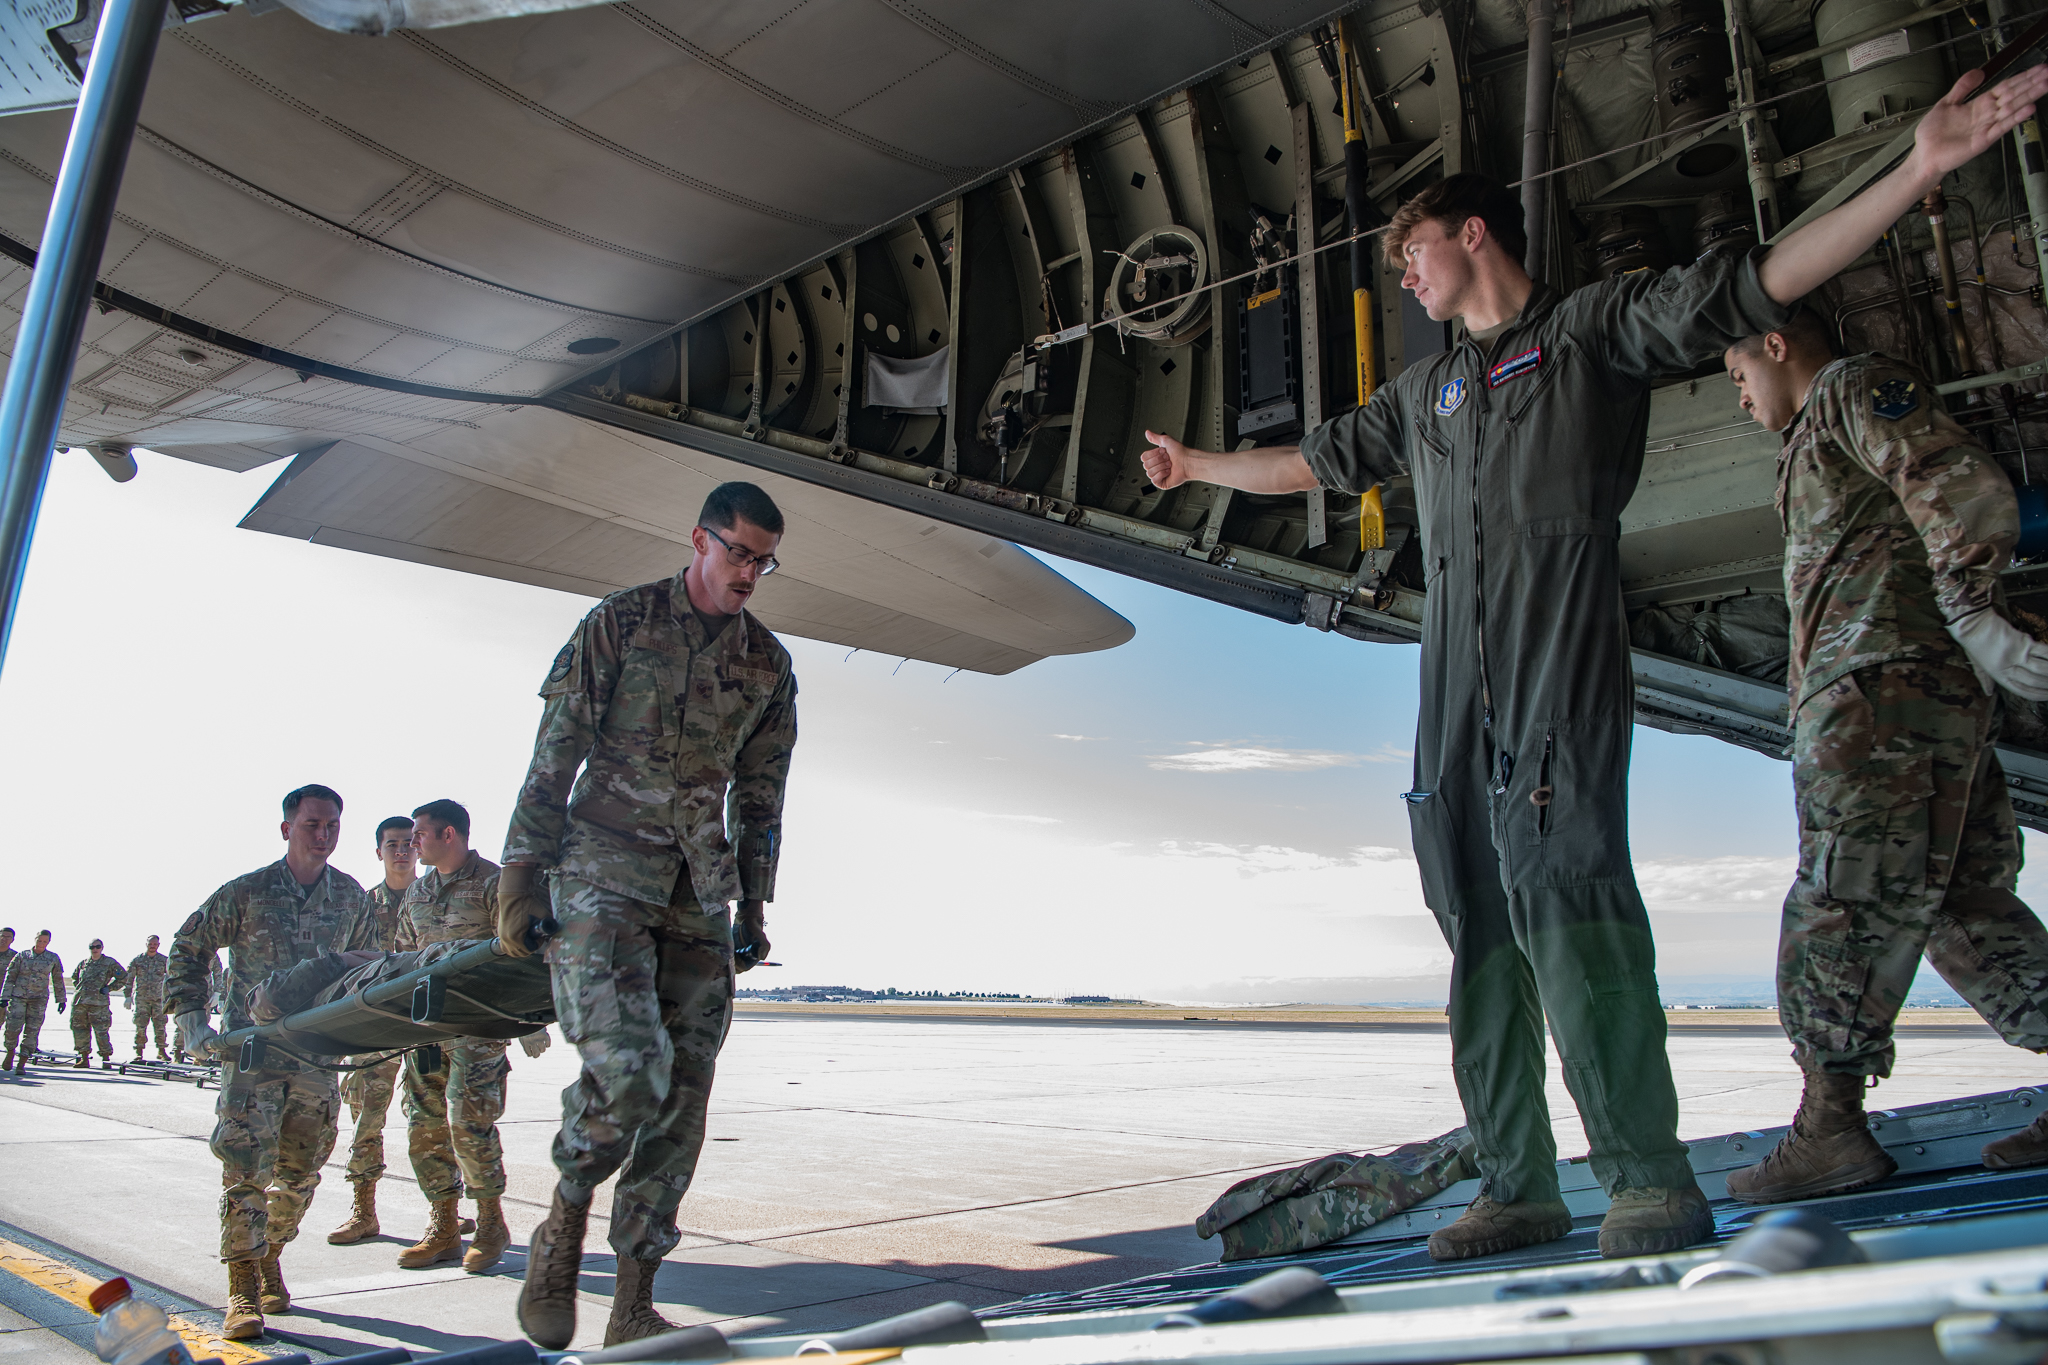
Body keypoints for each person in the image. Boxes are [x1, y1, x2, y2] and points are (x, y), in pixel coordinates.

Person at [1137, 66, 2048, 1262]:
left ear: (1471, 237)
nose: (1402, 275)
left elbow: (1756, 283)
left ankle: (1643, 1179)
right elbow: (1312, 464)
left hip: (1553, 669)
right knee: (1474, 924)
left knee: (1572, 906)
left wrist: (1919, 165)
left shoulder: (1586, 335)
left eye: (1411, 252)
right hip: (1448, 688)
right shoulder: (1425, 393)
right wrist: (1196, 467)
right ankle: (1513, 1184)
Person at [1719, 315, 2048, 1200]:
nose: (1739, 394)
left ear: (1779, 343)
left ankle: (1830, 1125)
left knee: (1838, 895)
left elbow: (1952, 481)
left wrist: (1973, 605)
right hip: (1915, 692)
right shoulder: (1812, 434)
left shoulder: (1852, 388)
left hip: (1878, 690)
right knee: (1957, 900)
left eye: (1739, 370)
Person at [498, 481, 795, 1349]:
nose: (749, 571)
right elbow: (558, 751)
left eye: (763, 559)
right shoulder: (622, 623)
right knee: (631, 1070)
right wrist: (521, 873)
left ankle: (633, 1298)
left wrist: (755, 898)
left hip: (700, 893)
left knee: (683, 1100)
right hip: (602, 875)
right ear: (699, 539)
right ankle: (562, 1223)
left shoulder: (769, 665)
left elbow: (764, 794)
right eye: (738, 551)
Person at [168, 785, 365, 1341]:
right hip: (252, 1056)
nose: (322, 836)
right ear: (286, 829)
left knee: (300, 1178)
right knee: (244, 1170)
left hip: (316, 1058)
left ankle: (270, 1252)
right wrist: (189, 1016)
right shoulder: (248, 893)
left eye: (331, 826)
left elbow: (375, 963)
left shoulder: (352, 898)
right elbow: (189, 947)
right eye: (311, 825)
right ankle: (243, 1288)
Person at [391, 799, 512, 1274]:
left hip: (477, 1026)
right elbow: (401, 957)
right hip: (426, 1029)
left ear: (448, 835)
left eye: (419, 834)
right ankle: (443, 1226)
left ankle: (489, 1224)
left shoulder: (495, 883)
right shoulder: (417, 894)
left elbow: (516, 952)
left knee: (469, 1121)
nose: (411, 842)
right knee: (425, 1125)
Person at [329, 815, 418, 1246]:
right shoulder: (362, 905)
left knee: (440, 1120)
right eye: (391, 844)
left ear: (419, 846)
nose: (400, 851)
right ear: (378, 851)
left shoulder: (437, 898)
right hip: (375, 1024)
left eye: (407, 842)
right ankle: (364, 1209)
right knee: (366, 1117)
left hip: (431, 1023)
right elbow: (341, 964)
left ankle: (450, 1209)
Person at [2, 930, 63, 1074]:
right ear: (35, 939)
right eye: (39, 940)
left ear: (48, 942)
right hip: (18, 997)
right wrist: (4, 997)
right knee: (12, 1028)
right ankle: (10, 1052)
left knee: (32, 1030)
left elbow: (58, 980)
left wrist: (61, 1000)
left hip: (38, 999)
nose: (41, 943)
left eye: (44, 941)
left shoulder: (52, 958)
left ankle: (22, 1062)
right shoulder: (22, 956)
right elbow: (10, 976)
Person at [68, 940, 128, 1069]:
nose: (94, 949)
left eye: (97, 947)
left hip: (98, 1003)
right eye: (92, 947)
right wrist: (80, 989)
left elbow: (123, 977)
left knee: (101, 1031)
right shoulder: (84, 963)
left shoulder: (109, 963)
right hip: (81, 1003)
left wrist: (110, 988)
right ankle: (83, 1058)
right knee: (79, 1030)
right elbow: (75, 977)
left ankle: (106, 1059)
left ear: (102, 948)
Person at [127, 935, 171, 1062]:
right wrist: (127, 996)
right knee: (140, 1026)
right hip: (142, 999)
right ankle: (139, 1052)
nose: (152, 946)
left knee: (160, 1026)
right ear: (146, 944)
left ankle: (161, 1051)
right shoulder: (137, 960)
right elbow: (129, 979)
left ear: (158, 945)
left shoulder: (164, 961)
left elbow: (171, 978)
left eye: (155, 944)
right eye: (150, 943)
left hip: (158, 999)